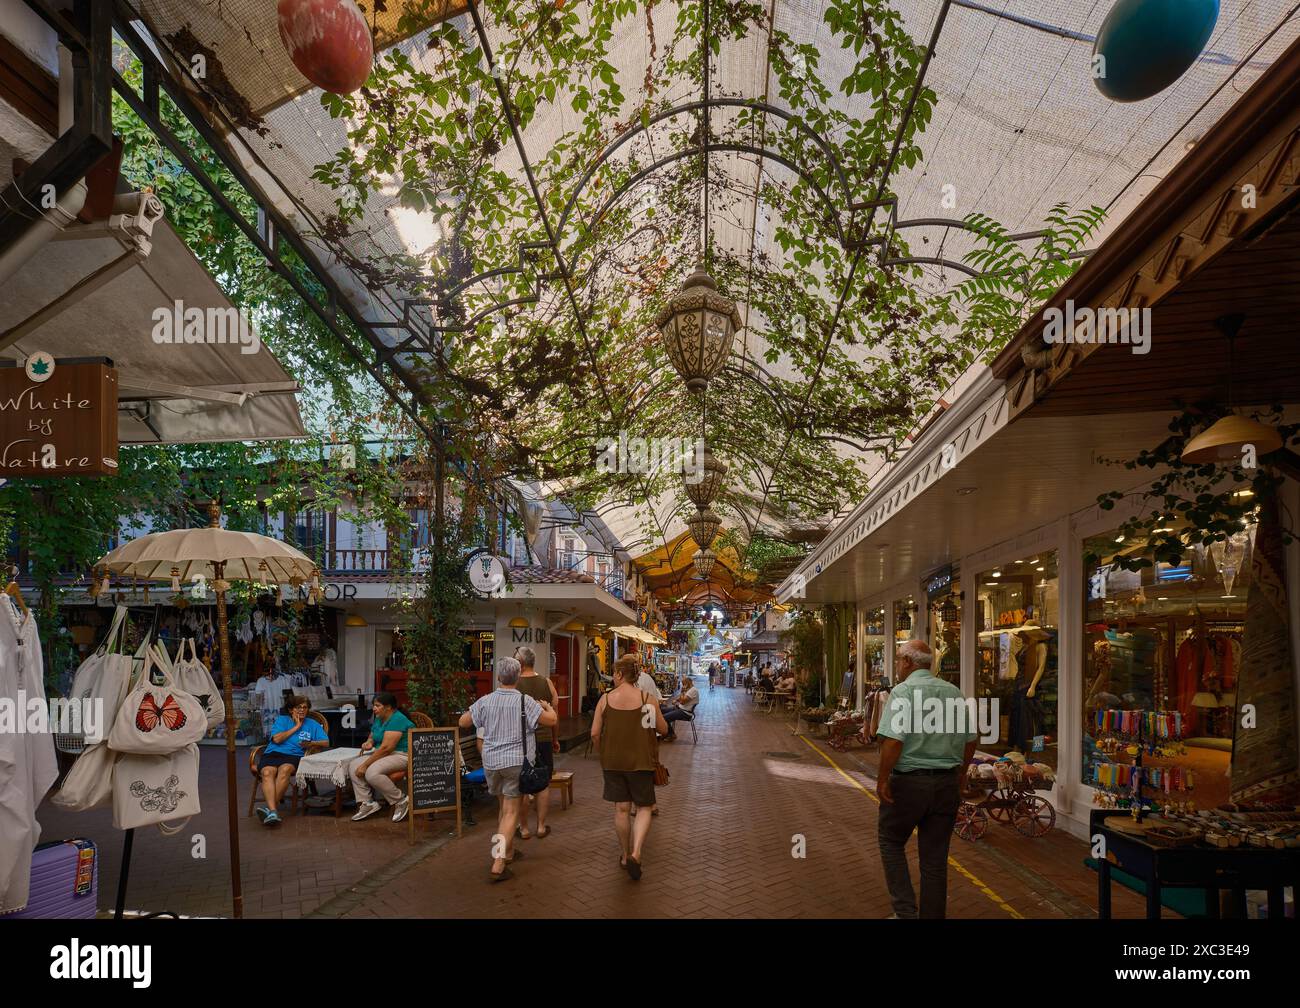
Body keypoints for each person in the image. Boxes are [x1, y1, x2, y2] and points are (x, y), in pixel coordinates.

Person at [875, 640, 978, 919]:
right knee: (935, 858)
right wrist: (962, 773)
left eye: (898, 659)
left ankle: (905, 912)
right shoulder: (953, 692)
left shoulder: (903, 691)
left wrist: (882, 779)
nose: (896, 665)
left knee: (891, 841)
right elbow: (971, 739)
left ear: (908, 662)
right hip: (945, 784)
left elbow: (894, 742)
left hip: (909, 783)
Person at [459, 656, 557, 881]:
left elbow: (464, 722)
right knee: (511, 811)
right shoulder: (525, 701)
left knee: (504, 810)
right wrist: (548, 707)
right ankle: (498, 860)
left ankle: (509, 851)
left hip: (492, 762)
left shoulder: (486, 701)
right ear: (518, 674)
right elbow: (551, 721)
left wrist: (475, 712)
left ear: (498, 676)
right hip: (515, 762)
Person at [591, 655, 667, 880]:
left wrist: (602, 752)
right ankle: (637, 851)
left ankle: (624, 855)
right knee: (644, 807)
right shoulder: (647, 699)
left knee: (621, 809)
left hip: (613, 762)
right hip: (641, 762)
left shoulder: (605, 700)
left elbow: (595, 733)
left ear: (619, 674)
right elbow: (662, 728)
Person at [255, 695, 328, 827]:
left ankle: (270, 810)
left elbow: (326, 742)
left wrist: (311, 743)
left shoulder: (313, 724)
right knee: (267, 772)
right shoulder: (282, 721)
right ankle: (272, 811)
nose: (302, 710)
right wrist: (297, 726)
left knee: (285, 770)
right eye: (298, 707)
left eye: (305, 707)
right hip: (273, 753)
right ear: (290, 710)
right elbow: (277, 739)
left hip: (294, 756)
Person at [514, 645, 560, 839]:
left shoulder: (513, 684)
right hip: (543, 738)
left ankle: (524, 828)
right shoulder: (546, 682)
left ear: (520, 663)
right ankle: (541, 826)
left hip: (521, 741)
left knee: (522, 786)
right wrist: (555, 738)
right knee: (543, 784)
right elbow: (554, 711)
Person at [348, 692, 416, 824]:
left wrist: (365, 765)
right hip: (384, 754)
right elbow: (373, 736)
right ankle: (367, 803)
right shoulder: (380, 718)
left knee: (371, 773)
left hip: (402, 755)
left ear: (388, 707)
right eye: (374, 705)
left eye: (377, 705)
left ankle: (400, 800)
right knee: (353, 765)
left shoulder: (397, 719)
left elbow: (387, 748)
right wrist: (369, 743)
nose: (374, 708)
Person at [660, 675, 699, 742]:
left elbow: (683, 701)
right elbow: (682, 698)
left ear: (687, 683)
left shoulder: (693, 690)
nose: (683, 685)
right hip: (679, 709)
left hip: (685, 712)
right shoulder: (689, 690)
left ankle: (671, 734)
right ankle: (665, 732)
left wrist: (682, 692)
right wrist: (676, 700)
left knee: (664, 718)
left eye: (684, 684)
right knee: (661, 710)